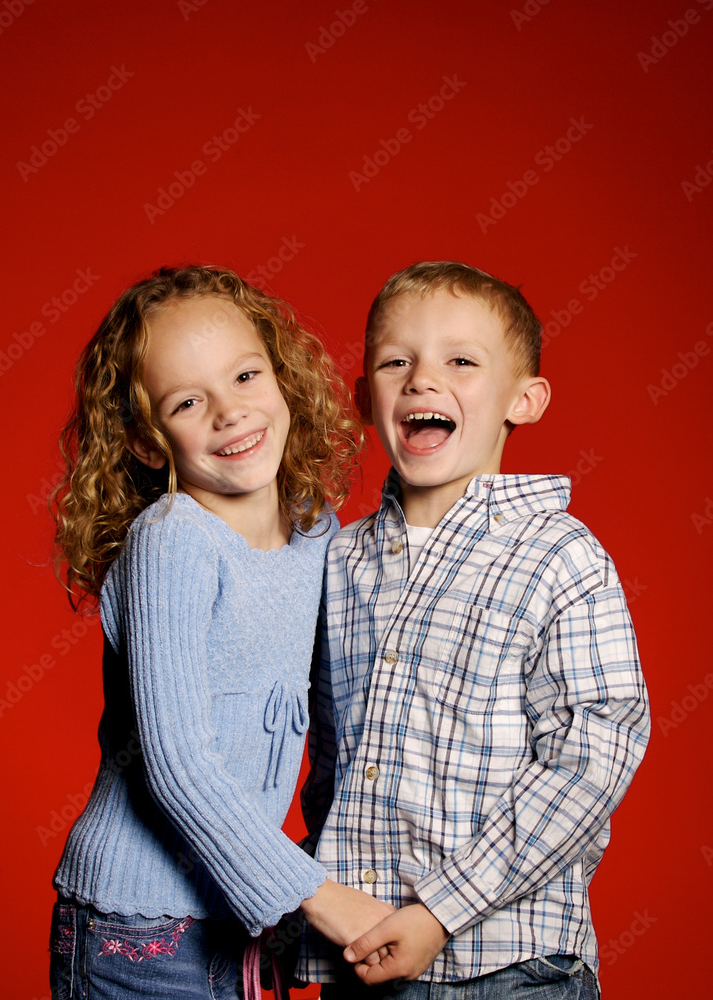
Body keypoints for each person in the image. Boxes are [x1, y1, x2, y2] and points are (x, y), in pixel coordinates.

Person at [299, 261, 650, 998]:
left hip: (510, 965)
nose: (424, 380)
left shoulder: (559, 555)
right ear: (366, 396)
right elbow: (330, 764)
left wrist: (439, 909)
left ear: (524, 399)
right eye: (398, 361)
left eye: (460, 361)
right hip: (361, 959)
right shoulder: (337, 564)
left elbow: (591, 757)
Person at [48, 265, 392, 1000]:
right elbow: (176, 762)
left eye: (244, 376)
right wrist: (318, 896)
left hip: (241, 927)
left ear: (283, 378)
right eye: (187, 401)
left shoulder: (314, 537)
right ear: (146, 443)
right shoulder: (174, 539)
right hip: (137, 935)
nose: (229, 413)